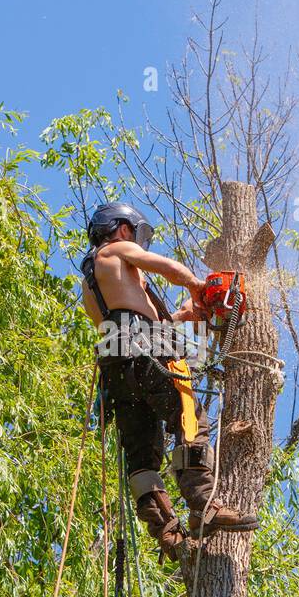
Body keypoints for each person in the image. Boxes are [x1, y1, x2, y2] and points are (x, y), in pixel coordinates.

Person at [80, 202, 258, 563]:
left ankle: (167, 533)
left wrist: (182, 316)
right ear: (123, 229)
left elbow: (129, 319)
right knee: (190, 417)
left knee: (143, 455)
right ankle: (202, 503)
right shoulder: (116, 249)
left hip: (118, 370)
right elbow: (166, 267)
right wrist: (195, 285)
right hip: (146, 352)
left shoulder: (93, 282)